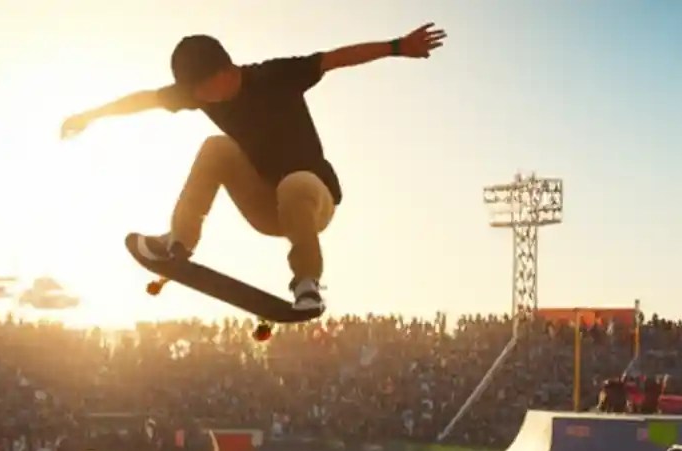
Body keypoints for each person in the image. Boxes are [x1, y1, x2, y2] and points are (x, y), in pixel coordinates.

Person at [60, 23, 447, 312]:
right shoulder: (199, 93)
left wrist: (398, 46)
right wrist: (91, 115)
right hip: (263, 205)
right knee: (216, 148)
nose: (201, 100)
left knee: (294, 183)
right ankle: (177, 242)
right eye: (195, 95)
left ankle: (307, 282)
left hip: (314, 203)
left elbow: (336, 58)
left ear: (227, 72)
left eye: (205, 91)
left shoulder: (276, 75)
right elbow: (145, 99)